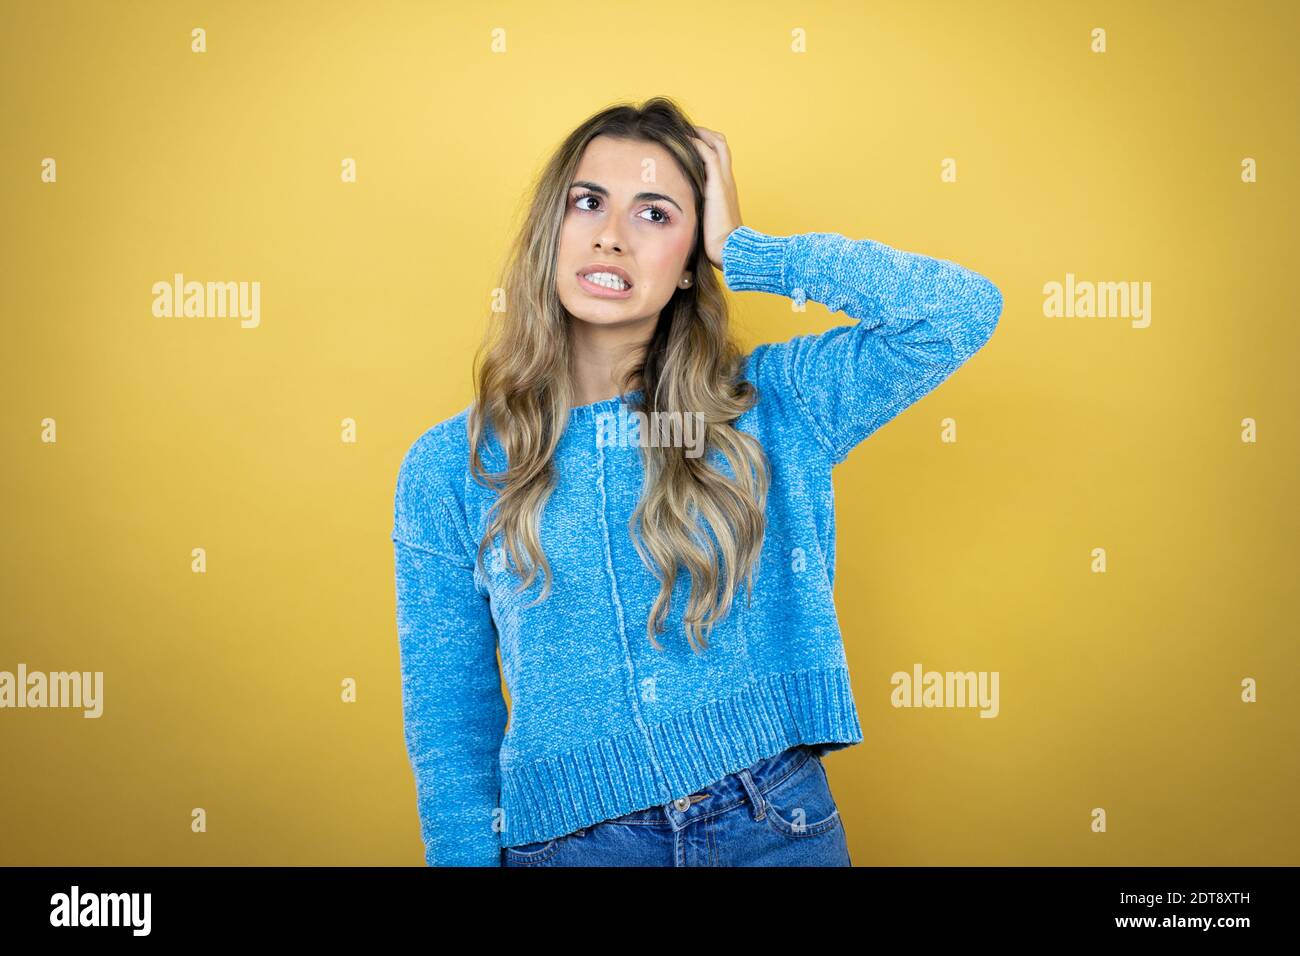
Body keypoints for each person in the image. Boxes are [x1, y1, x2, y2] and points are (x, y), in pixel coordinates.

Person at [392, 96, 1003, 866]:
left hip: (772, 827)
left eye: (655, 215)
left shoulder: (775, 405)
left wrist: (749, 250)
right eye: (588, 203)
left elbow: (959, 310)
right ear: (552, 230)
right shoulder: (451, 467)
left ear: (690, 262)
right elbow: (450, 724)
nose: (611, 235)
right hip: (567, 849)